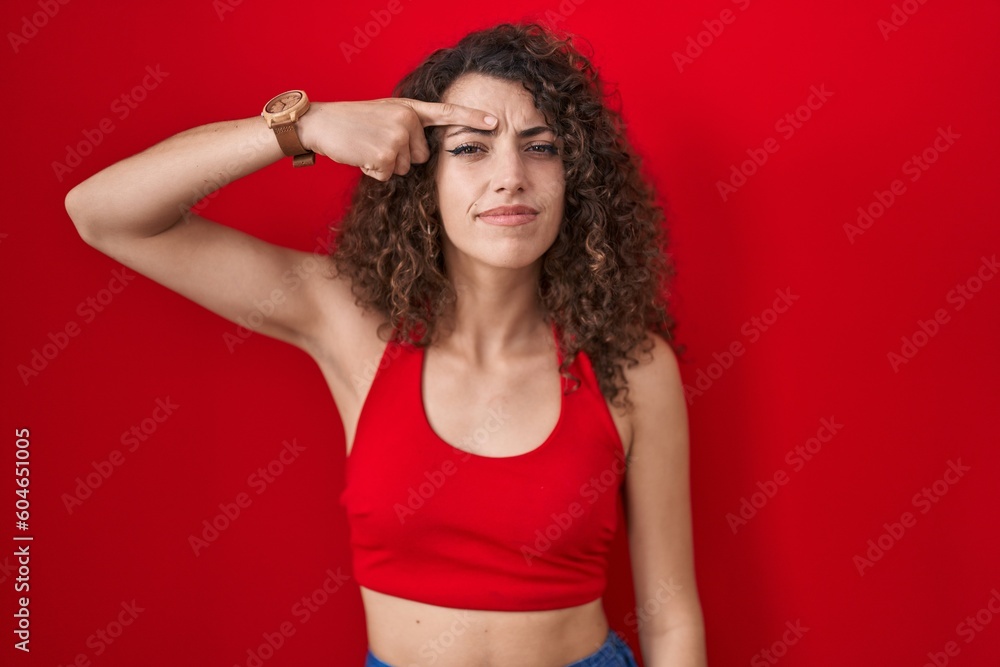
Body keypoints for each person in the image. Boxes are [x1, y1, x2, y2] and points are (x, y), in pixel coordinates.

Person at [65, 22, 706, 667]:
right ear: (422, 175)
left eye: (541, 146)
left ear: (577, 178)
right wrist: (302, 126)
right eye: (471, 149)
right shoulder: (349, 322)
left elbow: (671, 615)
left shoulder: (634, 365)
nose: (511, 175)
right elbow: (104, 213)